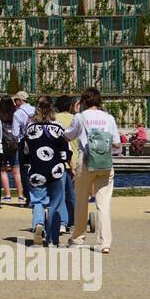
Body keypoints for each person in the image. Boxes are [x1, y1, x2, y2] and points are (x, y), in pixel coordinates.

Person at [64, 87, 121, 253]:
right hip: (105, 162)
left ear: (83, 101)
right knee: (103, 204)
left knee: (81, 201)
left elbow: (68, 136)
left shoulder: (80, 117)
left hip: (86, 161)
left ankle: (78, 238)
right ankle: (104, 243)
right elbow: (117, 143)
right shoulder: (109, 118)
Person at [22, 96, 70, 246]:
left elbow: (25, 152)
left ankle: (38, 223)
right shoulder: (58, 128)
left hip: (37, 170)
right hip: (56, 169)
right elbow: (65, 152)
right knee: (56, 202)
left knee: (38, 200)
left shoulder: (30, 128)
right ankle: (52, 236)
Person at [54, 96, 79, 232]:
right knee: (73, 194)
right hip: (74, 159)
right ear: (71, 106)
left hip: (58, 160)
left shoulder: (53, 119)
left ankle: (62, 221)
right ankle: (73, 220)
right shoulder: (76, 119)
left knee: (60, 193)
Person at [0, 95, 23, 204]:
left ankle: (7, 195)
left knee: (3, 170)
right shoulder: (15, 114)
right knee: (16, 171)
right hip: (14, 145)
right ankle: (20, 195)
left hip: (2, 145)